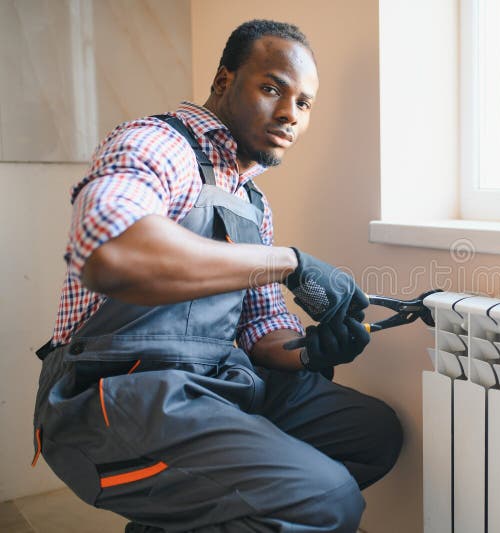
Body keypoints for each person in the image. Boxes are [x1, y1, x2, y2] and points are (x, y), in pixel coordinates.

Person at [31, 19, 403, 533]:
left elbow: (261, 330)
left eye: (304, 103)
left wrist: (311, 350)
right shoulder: (157, 144)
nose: (289, 114)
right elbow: (112, 252)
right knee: (327, 498)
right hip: (108, 397)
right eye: (272, 88)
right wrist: (289, 262)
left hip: (213, 383)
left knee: (373, 434)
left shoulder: (253, 203)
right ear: (224, 81)